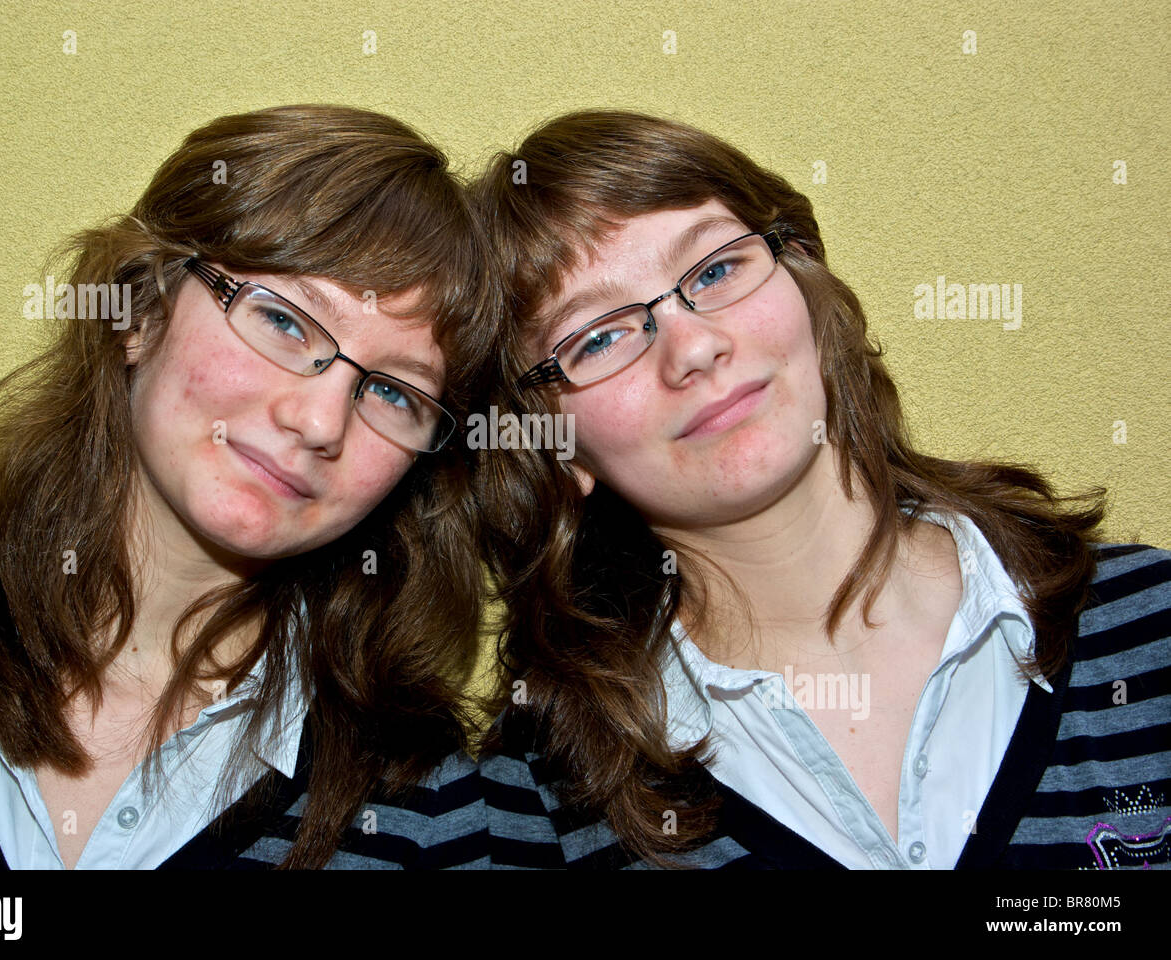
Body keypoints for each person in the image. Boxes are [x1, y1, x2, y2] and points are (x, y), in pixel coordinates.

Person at [469, 109, 1171, 870]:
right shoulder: (536, 795)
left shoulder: (1152, 628)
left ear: (806, 283)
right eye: (599, 336)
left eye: (714, 270)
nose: (695, 348)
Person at [0, 104, 496, 869]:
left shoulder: (420, 807)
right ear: (141, 307)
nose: (321, 420)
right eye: (286, 323)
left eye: (395, 394)